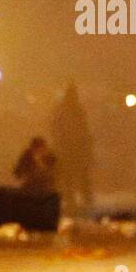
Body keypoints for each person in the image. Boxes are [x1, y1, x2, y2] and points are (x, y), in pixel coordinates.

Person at [50, 83, 92, 213]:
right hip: (71, 146)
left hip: (70, 146)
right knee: (76, 174)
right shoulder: (75, 110)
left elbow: (55, 127)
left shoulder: (66, 110)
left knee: (73, 174)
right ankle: (80, 198)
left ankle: (77, 198)